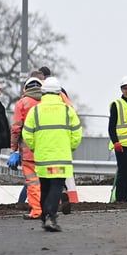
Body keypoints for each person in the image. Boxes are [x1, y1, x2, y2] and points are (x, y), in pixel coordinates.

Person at [21, 77, 82, 232]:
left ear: (43, 92)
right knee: (56, 185)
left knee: (45, 186)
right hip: (61, 157)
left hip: (42, 157)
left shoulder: (35, 111)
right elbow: (77, 133)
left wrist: (35, 147)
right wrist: (70, 147)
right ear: (59, 92)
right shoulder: (68, 110)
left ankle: (44, 216)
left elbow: (27, 134)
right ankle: (51, 217)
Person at [11, 77, 44, 220]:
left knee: (32, 181)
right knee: (48, 180)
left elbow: (16, 128)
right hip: (48, 149)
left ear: (25, 89)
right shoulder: (47, 102)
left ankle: (36, 210)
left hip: (29, 150)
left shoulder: (22, 103)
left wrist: (14, 149)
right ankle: (50, 208)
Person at [108, 76, 127, 203]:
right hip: (122, 144)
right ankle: (120, 199)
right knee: (123, 172)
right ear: (122, 90)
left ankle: (125, 199)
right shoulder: (117, 104)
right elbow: (111, 126)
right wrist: (115, 141)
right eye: (125, 88)